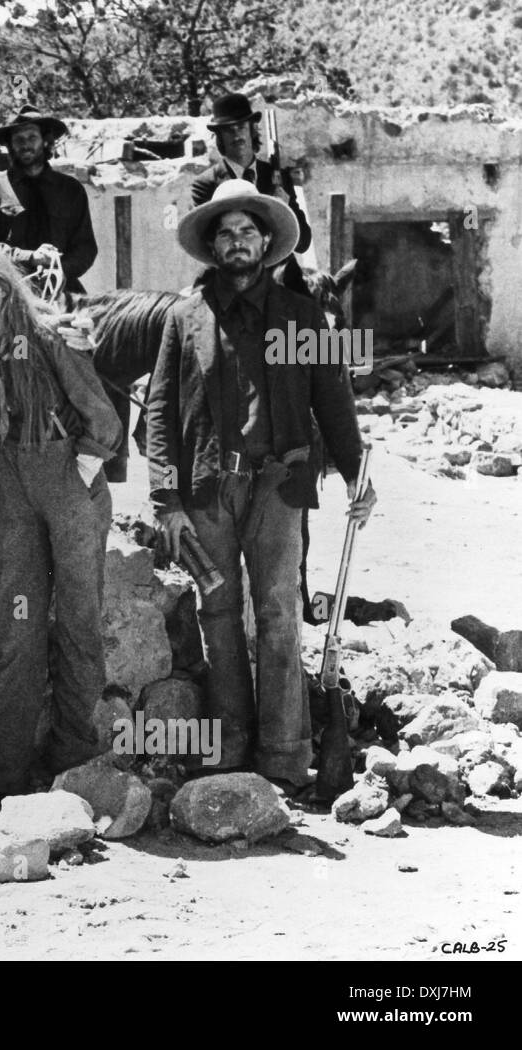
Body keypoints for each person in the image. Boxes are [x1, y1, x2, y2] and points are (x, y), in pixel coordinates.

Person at [146, 179, 376, 791]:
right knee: (217, 611)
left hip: (280, 486)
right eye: (227, 232)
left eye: (248, 231)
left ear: (267, 242)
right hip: (206, 491)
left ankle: (284, 756)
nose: (238, 241)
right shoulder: (184, 319)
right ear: (213, 245)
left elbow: (333, 399)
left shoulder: (302, 317)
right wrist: (166, 499)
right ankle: (228, 748)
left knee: (277, 613)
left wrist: (357, 476)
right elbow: (160, 415)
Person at [0, 245, 121, 805]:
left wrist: (79, 473)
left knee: (77, 622)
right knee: (14, 620)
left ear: (3, 285)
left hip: (67, 482)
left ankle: (80, 763)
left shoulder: (49, 337)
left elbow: (103, 419)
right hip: (14, 485)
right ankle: (4, 768)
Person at [190, 92, 312, 296]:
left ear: (252, 130)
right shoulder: (205, 184)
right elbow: (208, 247)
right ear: (219, 137)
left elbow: (303, 243)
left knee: (315, 321)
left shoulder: (279, 177)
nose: (237, 135)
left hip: (281, 280)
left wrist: (284, 208)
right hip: (232, 280)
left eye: (241, 127)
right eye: (228, 130)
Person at [0, 105, 97, 296]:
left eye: (32, 137)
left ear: (45, 142)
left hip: (62, 289)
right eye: (18, 139)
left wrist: (60, 270)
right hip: (11, 291)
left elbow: (86, 248)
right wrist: (31, 257)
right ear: (10, 145)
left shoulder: (70, 189)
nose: (25, 144)